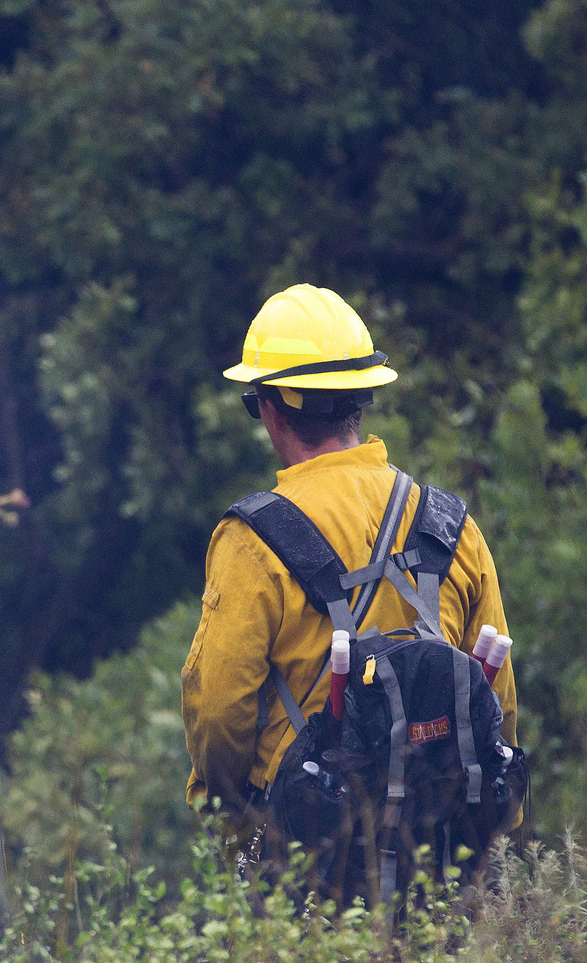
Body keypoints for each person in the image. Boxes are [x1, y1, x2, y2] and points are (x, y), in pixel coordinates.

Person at [180, 285, 519, 885]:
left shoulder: (251, 541)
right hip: (435, 855)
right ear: (361, 398)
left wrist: (234, 825)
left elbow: (219, 715)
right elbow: (499, 710)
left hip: (303, 859)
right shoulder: (451, 528)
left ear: (270, 407)